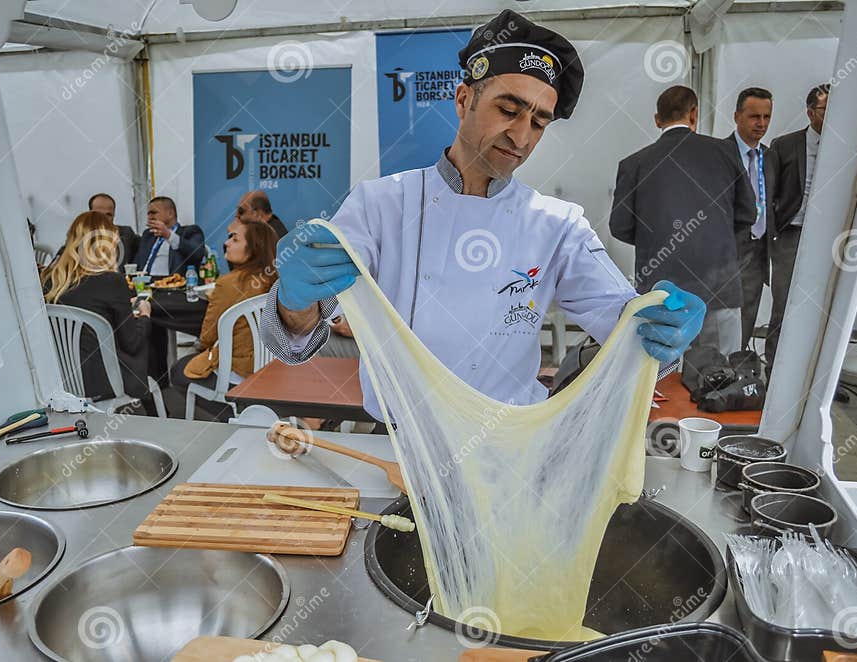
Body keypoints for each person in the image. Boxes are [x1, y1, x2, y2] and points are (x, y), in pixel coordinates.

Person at [260, 10, 706, 421]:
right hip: (403, 442)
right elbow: (295, 339)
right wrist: (295, 298)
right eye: (508, 110)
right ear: (463, 99)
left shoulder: (557, 225)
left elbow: (625, 326)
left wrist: (664, 329)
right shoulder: (381, 204)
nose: (521, 135)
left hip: (510, 444)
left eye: (539, 122)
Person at [610, 85, 754, 357]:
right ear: (694, 114)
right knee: (722, 378)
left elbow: (620, 226)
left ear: (657, 119)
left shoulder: (634, 164)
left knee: (661, 376)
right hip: (719, 286)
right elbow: (748, 214)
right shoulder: (725, 152)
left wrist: (656, 237)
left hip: (662, 292)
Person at [42, 211, 153, 404]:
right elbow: (132, 344)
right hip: (104, 382)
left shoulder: (50, 280)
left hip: (61, 378)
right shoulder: (112, 281)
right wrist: (144, 315)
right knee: (143, 341)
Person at [170, 219, 279, 400]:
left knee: (177, 370)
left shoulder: (229, 284)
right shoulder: (278, 281)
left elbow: (206, 339)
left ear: (254, 248)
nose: (226, 243)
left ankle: (225, 413)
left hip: (237, 376)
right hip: (274, 371)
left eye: (234, 239)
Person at [767, 83, 830, 378]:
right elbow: (769, 193)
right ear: (810, 113)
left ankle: (816, 375)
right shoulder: (785, 144)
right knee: (783, 305)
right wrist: (773, 233)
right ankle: (775, 372)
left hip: (829, 240)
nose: (832, 115)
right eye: (825, 109)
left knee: (823, 308)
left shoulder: (847, 144)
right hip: (791, 233)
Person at [725, 87, 779, 353]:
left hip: (758, 248)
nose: (761, 124)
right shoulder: (719, 153)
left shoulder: (770, 157)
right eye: (754, 116)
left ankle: (736, 365)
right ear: (737, 116)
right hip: (724, 248)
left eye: (767, 117)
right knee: (719, 314)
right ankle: (711, 370)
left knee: (748, 311)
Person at [134, 196, 206, 276]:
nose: (150, 217)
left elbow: (197, 254)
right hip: (142, 283)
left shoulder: (190, 231)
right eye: (148, 214)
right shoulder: (148, 235)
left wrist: (168, 235)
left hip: (170, 284)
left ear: (170, 214)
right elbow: (138, 262)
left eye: (154, 213)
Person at [89, 193, 139, 267]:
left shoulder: (126, 234)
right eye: (99, 214)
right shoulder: (78, 236)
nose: (103, 218)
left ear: (114, 215)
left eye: (108, 214)